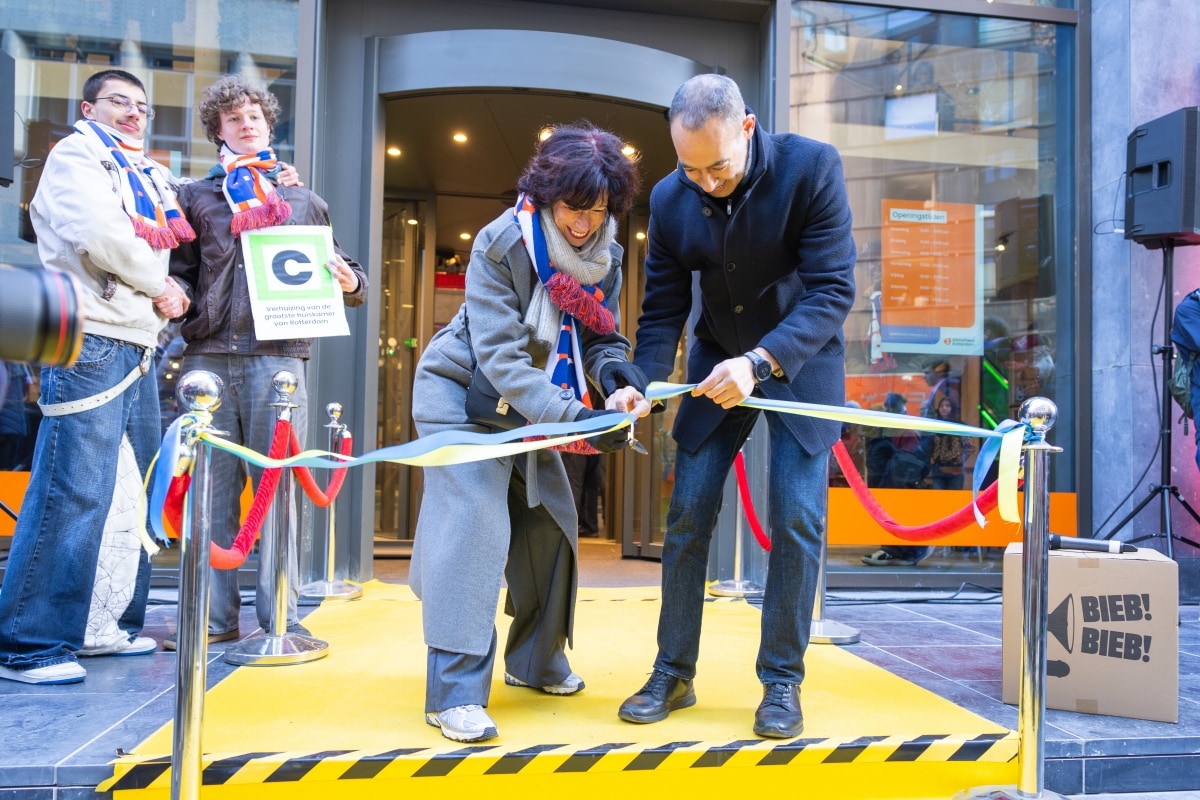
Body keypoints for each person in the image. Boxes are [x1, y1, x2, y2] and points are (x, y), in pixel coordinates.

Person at [617, 74, 856, 739]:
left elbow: (834, 290)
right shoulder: (671, 198)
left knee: (798, 517)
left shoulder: (812, 169)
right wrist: (640, 379)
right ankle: (673, 669)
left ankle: (782, 680)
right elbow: (662, 309)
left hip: (798, 359)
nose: (705, 182)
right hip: (717, 359)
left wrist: (761, 363)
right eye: (689, 168)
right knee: (688, 511)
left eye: (717, 166)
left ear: (747, 128)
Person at [410, 123, 650, 743]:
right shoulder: (500, 243)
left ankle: (535, 663)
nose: (584, 225)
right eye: (573, 208)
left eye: (598, 211)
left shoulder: (608, 254)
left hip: (535, 405)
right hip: (463, 397)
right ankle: (454, 693)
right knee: (475, 529)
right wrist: (579, 419)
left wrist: (619, 376)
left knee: (551, 530)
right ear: (546, 196)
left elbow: (600, 337)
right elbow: (500, 360)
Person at [0, 69, 195, 684]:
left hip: (137, 340)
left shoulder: (151, 176)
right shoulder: (77, 155)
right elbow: (102, 235)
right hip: (90, 336)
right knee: (73, 489)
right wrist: (162, 284)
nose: (134, 114)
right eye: (119, 102)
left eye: (141, 106)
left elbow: (193, 229)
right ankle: (30, 644)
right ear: (89, 107)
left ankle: (100, 626)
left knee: (126, 495)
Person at [167, 75, 367, 649]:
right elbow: (181, 273)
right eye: (233, 119)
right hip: (206, 358)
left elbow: (343, 273)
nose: (245, 124)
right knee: (211, 492)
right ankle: (212, 619)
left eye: (253, 116)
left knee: (278, 491)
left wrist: (351, 279)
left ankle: (279, 614)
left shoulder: (302, 199)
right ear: (218, 131)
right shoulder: (195, 197)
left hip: (277, 359)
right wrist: (175, 296)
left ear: (268, 124)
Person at [861, 392, 932, 566]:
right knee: (888, 515)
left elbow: (906, 462)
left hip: (900, 484)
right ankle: (893, 550)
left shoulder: (906, 431)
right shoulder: (888, 431)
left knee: (898, 516)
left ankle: (905, 551)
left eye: (890, 407)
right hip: (889, 481)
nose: (886, 410)